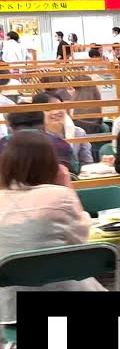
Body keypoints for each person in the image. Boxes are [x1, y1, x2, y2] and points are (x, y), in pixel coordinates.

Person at [0, 131, 103, 324]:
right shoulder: (59, 196)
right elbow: (82, 240)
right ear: (50, 162)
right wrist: (66, 187)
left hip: (10, 309)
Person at [40, 93, 92, 167]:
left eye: (59, 107)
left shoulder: (78, 133)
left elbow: (87, 163)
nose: (55, 112)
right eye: (48, 109)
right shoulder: (37, 138)